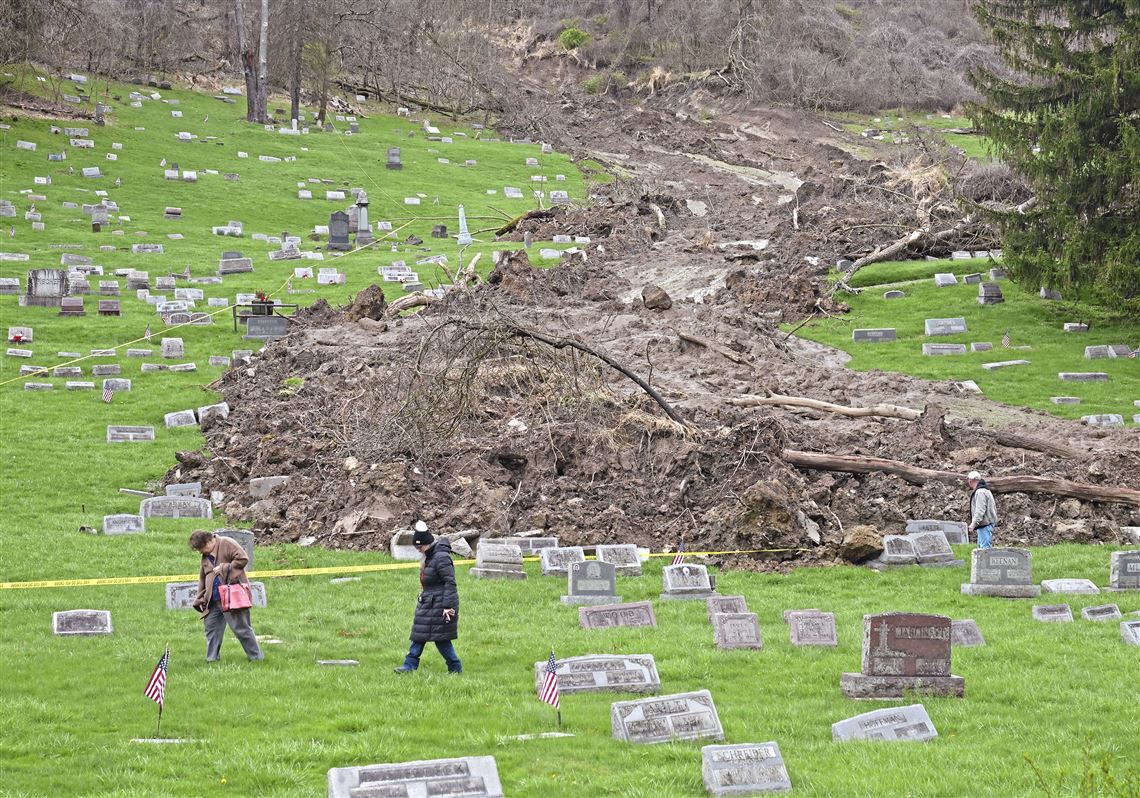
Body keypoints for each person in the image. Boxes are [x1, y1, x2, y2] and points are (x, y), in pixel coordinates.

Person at [395, 521, 461, 674]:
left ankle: (455, 667)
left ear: (427, 544)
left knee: (442, 639)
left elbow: (450, 583)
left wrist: (448, 607)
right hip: (428, 602)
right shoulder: (430, 557)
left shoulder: (442, 558)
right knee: (418, 635)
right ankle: (409, 665)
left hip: (440, 604)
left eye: (420, 547)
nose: (419, 550)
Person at [189, 530, 263, 662]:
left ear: (209, 541)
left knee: (241, 629)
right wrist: (200, 596)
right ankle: (212, 660)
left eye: (201, 548)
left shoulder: (227, 543)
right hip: (212, 599)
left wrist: (224, 567)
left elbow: (243, 559)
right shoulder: (205, 555)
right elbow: (203, 577)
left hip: (232, 596)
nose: (201, 552)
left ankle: (257, 658)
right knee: (211, 629)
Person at [966, 470, 998, 549]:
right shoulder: (985, 490)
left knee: (984, 550)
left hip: (985, 525)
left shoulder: (980, 492)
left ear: (971, 480)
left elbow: (980, 510)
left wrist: (973, 524)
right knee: (981, 549)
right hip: (985, 524)